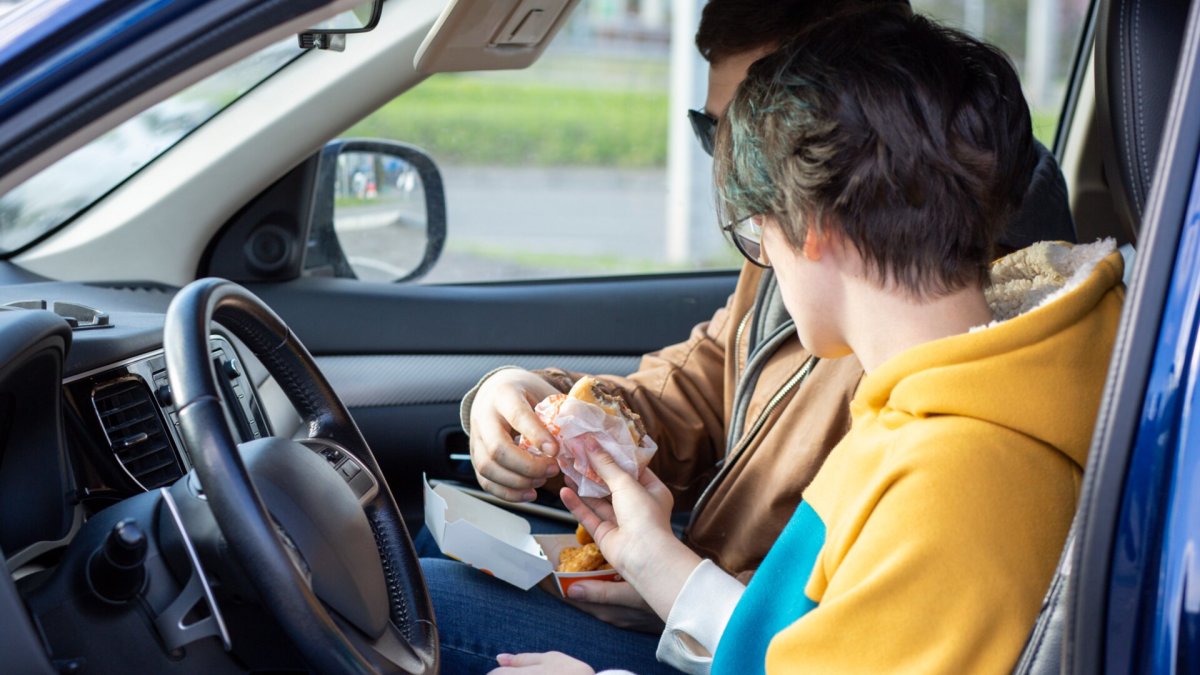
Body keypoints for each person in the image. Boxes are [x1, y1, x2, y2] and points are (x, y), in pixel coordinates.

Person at [423, 0, 1075, 671]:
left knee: (413, 599)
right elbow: (822, 646)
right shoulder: (922, 403)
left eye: (757, 214)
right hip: (716, 611)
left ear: (813, 208)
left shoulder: (952, 471)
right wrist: (656, 559)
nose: (755, 244)